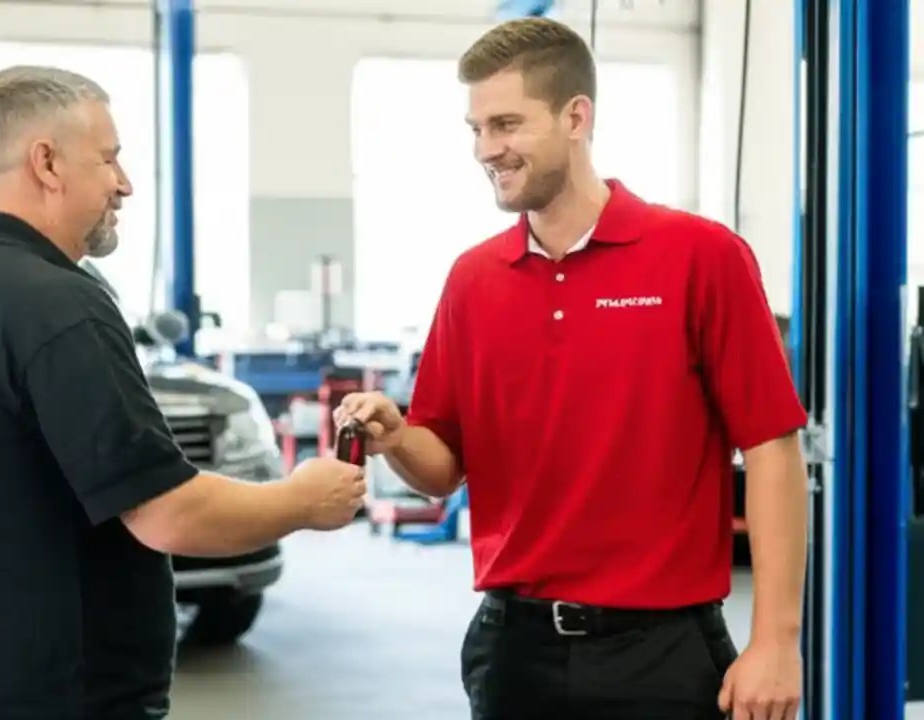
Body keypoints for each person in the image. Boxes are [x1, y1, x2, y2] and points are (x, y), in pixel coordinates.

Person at [336, 18, 808, 720]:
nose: (486, 149)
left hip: (664, 652)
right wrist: (396, 435)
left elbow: (772, 448)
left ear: (576, 116)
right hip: (513, 650)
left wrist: (776, 638)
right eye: (475, 129)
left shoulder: (700, 257)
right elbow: (444, 468)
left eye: (505, 124)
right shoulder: (473, 279)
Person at [0, 65, 366, 720]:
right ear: (47, 163)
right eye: (108, 158)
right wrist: (302, 499)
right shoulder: (55, 304)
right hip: (54, 702)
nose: (125, 183)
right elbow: (169, 513)